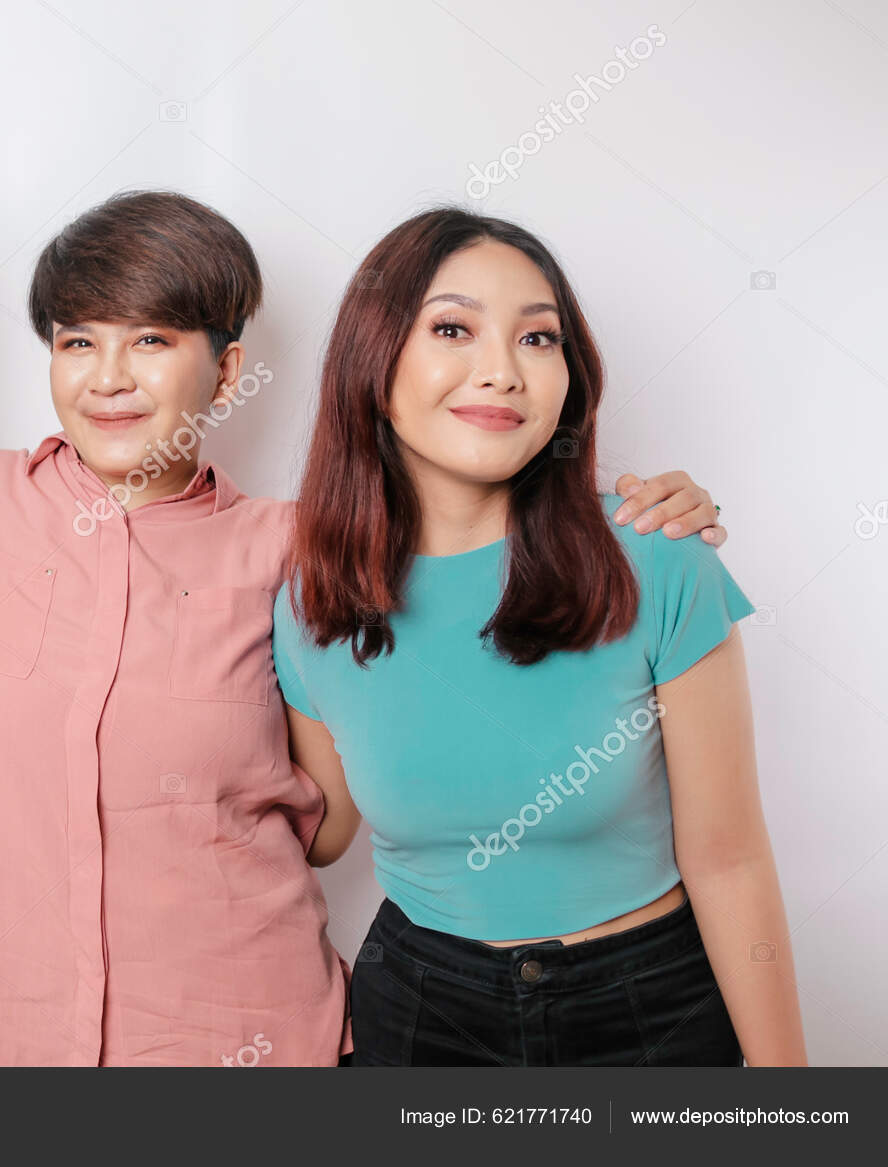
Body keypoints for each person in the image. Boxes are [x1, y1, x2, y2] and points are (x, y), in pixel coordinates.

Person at [0, 194, 725, 1067]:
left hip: (245, 1043)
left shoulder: (304, 548)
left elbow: (466, 543)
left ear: (228, 369)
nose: (108, 376)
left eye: (151, 341)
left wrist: (634, 507)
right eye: (76, 341)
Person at [273, 208, 804, 1066]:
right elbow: (318, 831)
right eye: (453, 328)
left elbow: (731, 861)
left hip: (647, 1007)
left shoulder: (659, 561)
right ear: (374, 362)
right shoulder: (310, 604)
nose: (503, 371)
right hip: (419, 1006)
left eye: (539, 339)